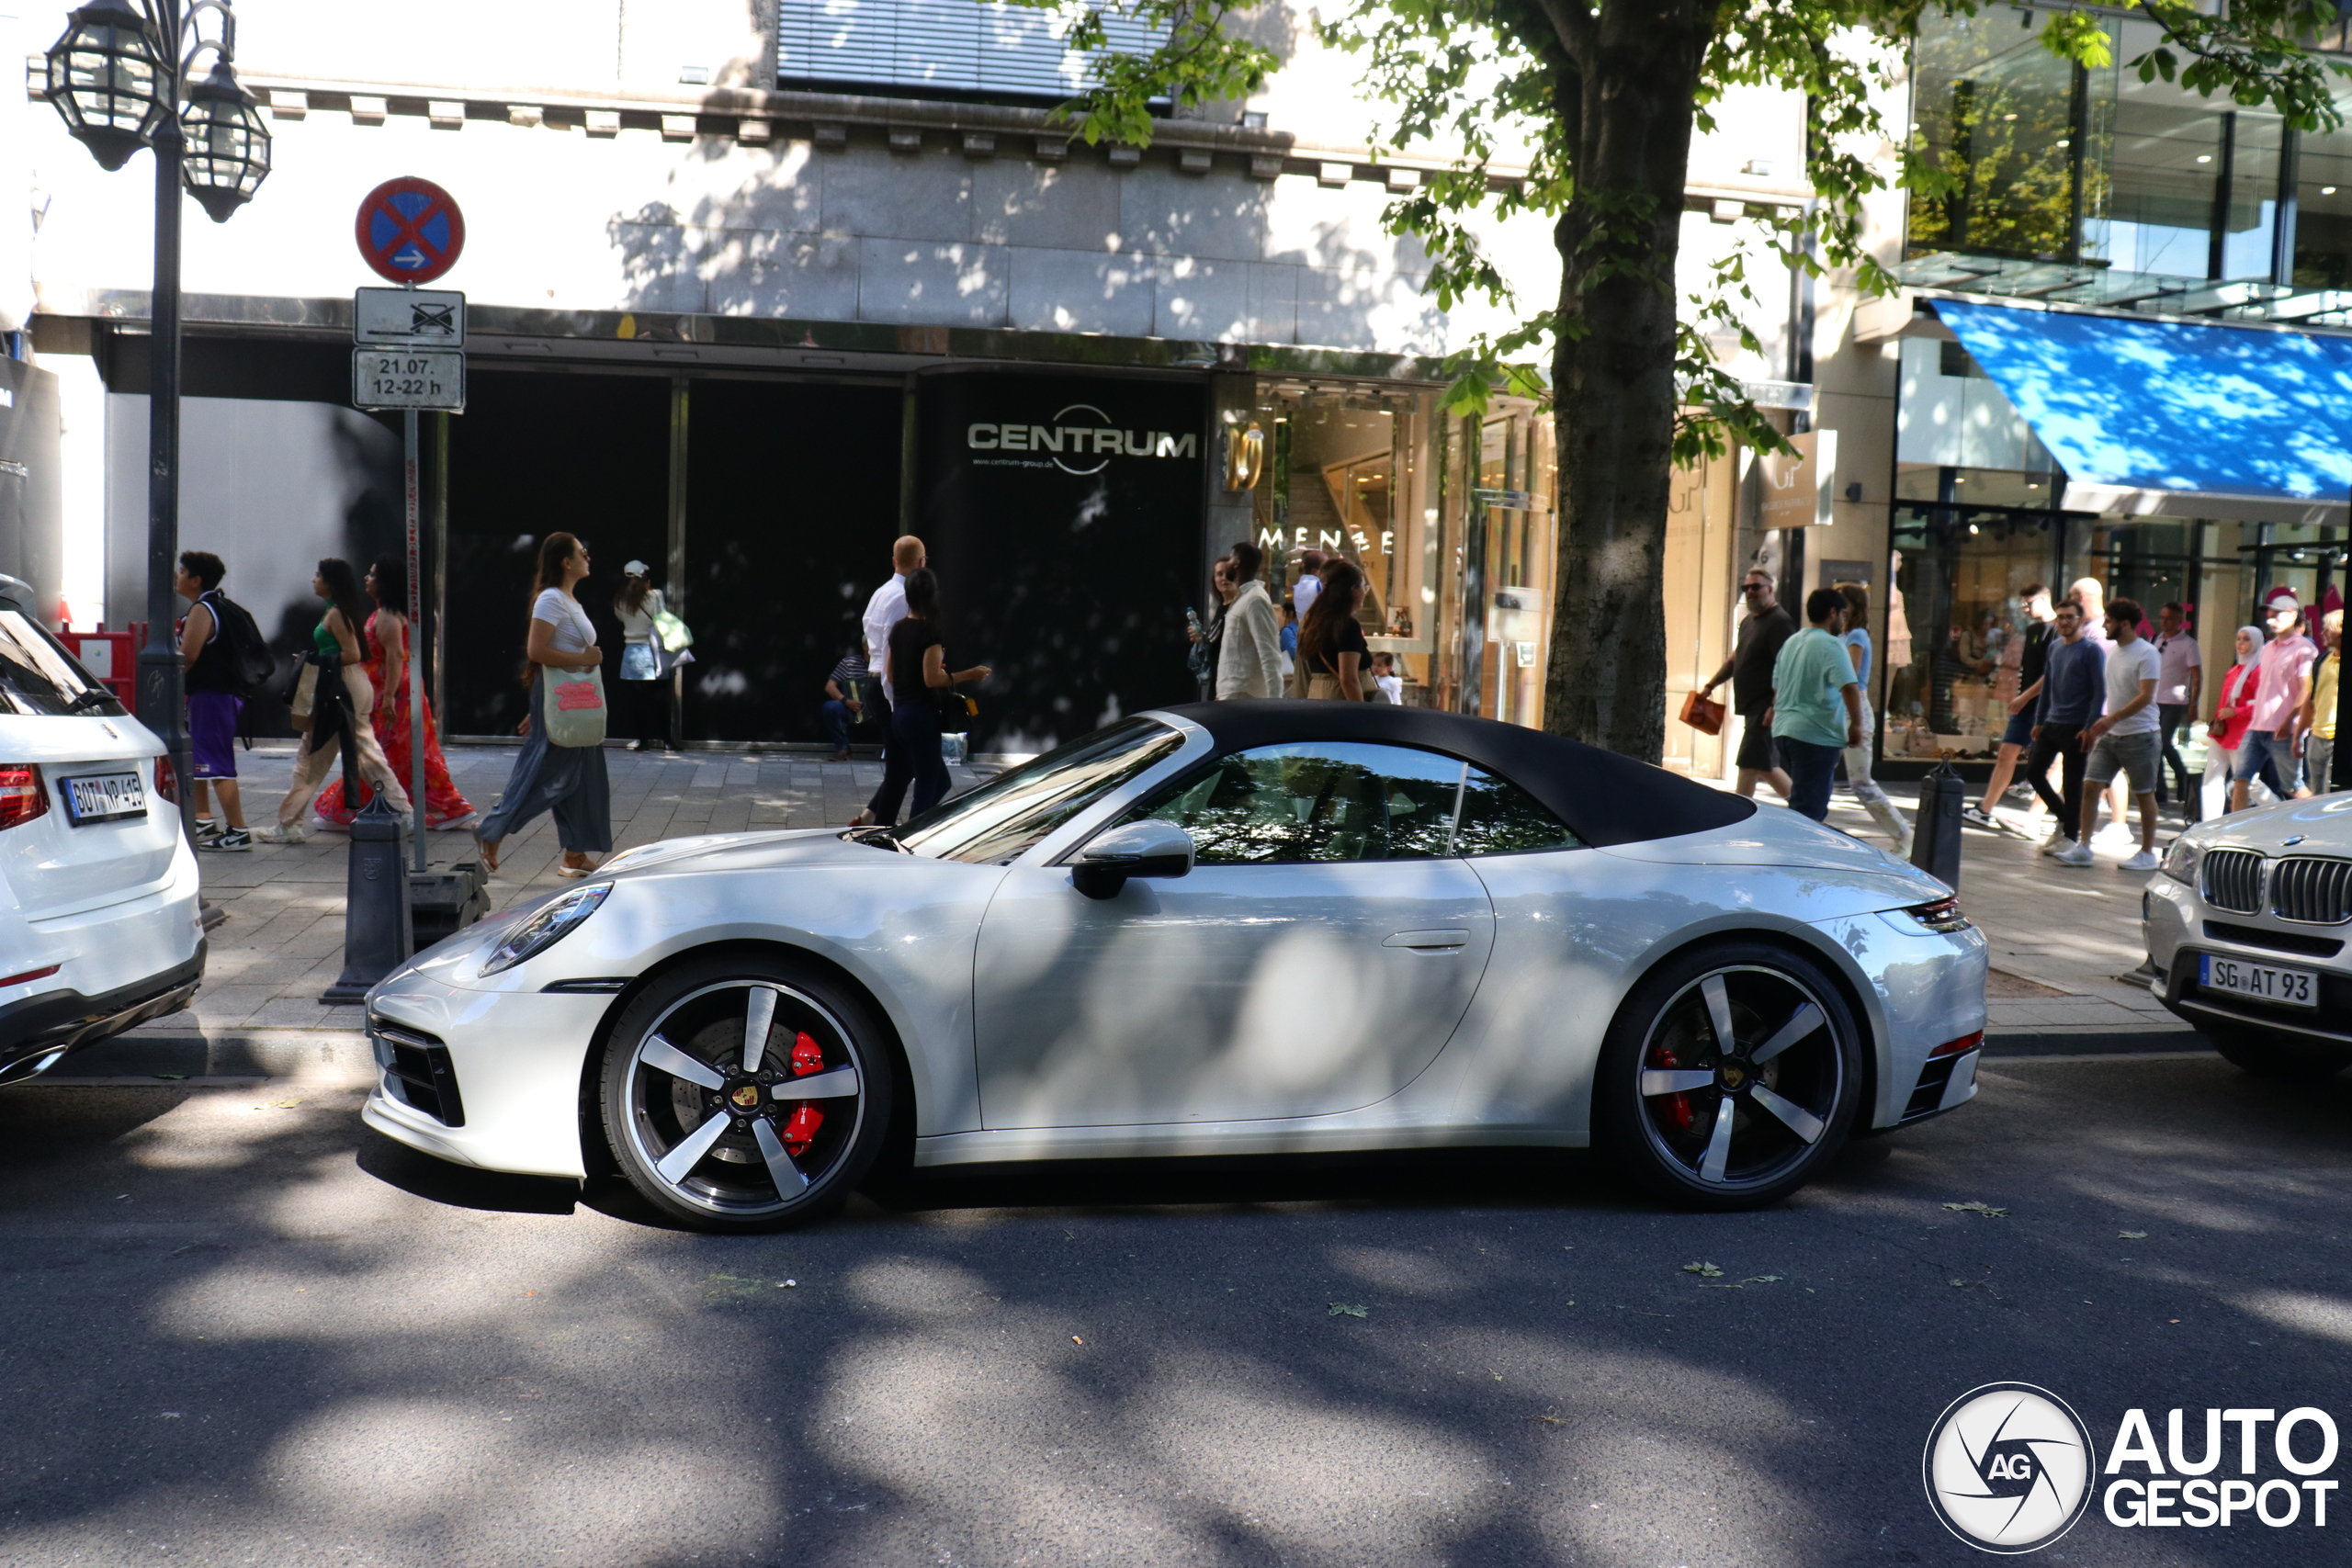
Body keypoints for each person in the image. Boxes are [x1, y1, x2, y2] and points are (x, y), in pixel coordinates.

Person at [473, 533, 610, 877]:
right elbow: (537, 652)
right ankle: (492, 831)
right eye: (582, 552)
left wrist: (540, 705)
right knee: (550, 777)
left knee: (585, 778)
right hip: (568, 701)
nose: (587, 557)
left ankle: (575, 855)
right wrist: (584, 657)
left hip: (573, 702)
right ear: (566, 561)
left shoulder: (568, 600)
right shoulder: (551, 600)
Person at [255, 558, 413, 844]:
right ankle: (404, 810)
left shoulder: (337, 614)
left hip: (341, 688)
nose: (313, 580)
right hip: (347, 685)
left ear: (329, 582)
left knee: (313, 756)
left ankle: (288, 825)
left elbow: (353, 653)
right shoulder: (338, 610)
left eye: (318, 576)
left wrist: (313, 660)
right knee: (363, 754)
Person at [315, 556, 477, 832]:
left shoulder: (388, 617)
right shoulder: (383, 613)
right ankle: (412, 806)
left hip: (394, 694)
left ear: (385, 582)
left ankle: (431, 807)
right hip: (388, 692)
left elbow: (395, 657)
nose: (367, 579)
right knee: (392, 751)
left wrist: (388, 697)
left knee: (386, 750)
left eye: (373, 575)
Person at [858, 569, 989, 825]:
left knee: (939, 781)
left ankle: (903, 827)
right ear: (933, 597)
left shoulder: (898, 629)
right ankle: (911, 836)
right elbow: (932, 680)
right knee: (927, 786)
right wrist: (970, 674)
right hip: (921, 715)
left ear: (907, 595)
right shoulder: (930, 632)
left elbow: (891, 674)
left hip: (900, 716)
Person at [2057, 597, 2162, 870]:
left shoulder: (2147, 653)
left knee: (2144, 793)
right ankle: (2084, 847)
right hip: (2110, 734)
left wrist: (2111, 719)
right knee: (2091, 785)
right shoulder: (2113, 652)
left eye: (2109, 621)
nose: (2104, 625)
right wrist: (2098, 724)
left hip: (2141, 735)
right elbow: (2108, 694)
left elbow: (2146, 697)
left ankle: (2148, 853)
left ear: (2125, 624)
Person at [173, 549, 250, 852]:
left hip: (212, 695)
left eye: (182, 571)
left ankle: (238, 831)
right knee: (203, 760)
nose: (177, 577)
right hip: (217, 694)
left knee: (217, 763)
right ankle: (202, 818)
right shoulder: (219, 605)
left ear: (195, 579)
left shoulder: (202, 610)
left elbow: (188, 655)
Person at [1964, 583, 2055, 831]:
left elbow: (2051, 673)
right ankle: (1985, 809)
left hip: (2046, 707)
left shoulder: (2057, 631)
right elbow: (2031, 670)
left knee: (2048, 764)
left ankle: (2035, 818)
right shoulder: (2034, 629)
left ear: (2045, 599)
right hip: (2027, 705)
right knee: (2007, 753)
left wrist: (2024, 696)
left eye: (2029, 603)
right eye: (2023, 604)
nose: (2025, 609)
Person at [1769, 588, 1864, 824]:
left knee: (1802, 802)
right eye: (1843, 614)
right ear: (1832, 613)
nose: (1844, 620)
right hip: (1816, 735)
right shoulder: (1831, 645)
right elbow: (1850, 687)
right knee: (1809, 813)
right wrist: (1857, 725)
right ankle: (1795, 857)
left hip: (1785, 731)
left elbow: (1777, 687)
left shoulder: (1792, 642)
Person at [1702, 569, 1796, 800]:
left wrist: (1775, 706)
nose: (1750, 592)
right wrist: (1710, 685)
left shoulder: (1780, 622)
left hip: (1765, 708)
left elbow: (1786, 669)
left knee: (1752, 762)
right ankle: (1805, 809)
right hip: (1751, 707)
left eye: (1756, 587)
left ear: (1771, 589)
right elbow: (1735, 659)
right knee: (1761, 764)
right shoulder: (1749, 622)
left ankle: (1740, 814)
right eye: (1746, 588)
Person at [1832, 581, 1909, 852]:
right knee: (1842, 778)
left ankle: (1903, 834)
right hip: (1841, 708)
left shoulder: (1857, 636)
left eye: (1843, 602)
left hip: (1854, 709)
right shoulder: (1845, 635)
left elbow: (1848, 673)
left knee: (1861, 782)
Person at [2021, 599, 2101, 855]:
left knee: (2072, 783)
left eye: (2070, 617)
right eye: (2061, 617)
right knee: (2034, 772)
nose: (2064, 622)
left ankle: (2070, 835)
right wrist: (2039, 720)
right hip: (2052, 723)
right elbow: (2048, 686)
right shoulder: (2055, 647)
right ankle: (2065, 818)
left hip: (2077, 725)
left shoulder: (2091, 650)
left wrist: (2090, 726)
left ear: (2081, 620)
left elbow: (2099, 692)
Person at [2231, 589, 2317, 812]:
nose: (2271, 619)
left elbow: (2307, 689)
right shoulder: (2267, 648)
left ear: (2292, 616)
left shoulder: (2304, 648)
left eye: (2277, 614)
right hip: (2258, 725)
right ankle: (2234, 832)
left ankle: (2320, 821)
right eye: (2270, 614)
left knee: (2293, 786)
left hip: (2284, 729)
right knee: (2240, 780)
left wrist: (2290, 721)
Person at [2201, 626, 2267, 818]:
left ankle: (2279, 810)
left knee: (2248, 782)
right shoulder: (2235, 670)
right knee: (2212, 779)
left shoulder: (2258, 671)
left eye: (2247, 639)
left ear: (2256, 643)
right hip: (2224, 733)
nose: (2241, 643)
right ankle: (2210, 824)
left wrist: (2235, 712)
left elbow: (2260, 704)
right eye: (2239, 638)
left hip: (2243, 735)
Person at [862, 535, 925, 718]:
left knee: (893, 745)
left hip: (875, 678)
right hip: (889, 684)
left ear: (893, 561)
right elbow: (890, 646)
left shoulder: (880, 592)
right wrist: (892, 700)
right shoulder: (902, 596)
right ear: (921, 562)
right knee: (898, 744)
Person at [614, 560, 672, 753]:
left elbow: (621, 619)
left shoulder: (620, 600)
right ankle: (667, 741)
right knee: (661, 699)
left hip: (632, 653)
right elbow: (663, 617)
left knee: (638, 701)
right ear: (645, 576)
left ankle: (643, 741)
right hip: (654, 651)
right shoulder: (655, 596)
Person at [2152, 601, 2202, 818]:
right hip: (2153, 701)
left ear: (2180, 621)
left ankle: (2183, 778)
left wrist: (2194, 703)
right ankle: (2159, 790)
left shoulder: (2188, 644)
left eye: (2169, 618)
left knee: (2163, 742)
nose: (2164, 622)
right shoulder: (2156, 639)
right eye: (2162, 618)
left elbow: (2197, 675)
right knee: (2154, 745)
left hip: (2174, 702)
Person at [1215, 540, 1283, 700]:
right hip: (1231, 694)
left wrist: (1275, 703)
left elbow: (1269, 653)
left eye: (1230, 559)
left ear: (1237, 563)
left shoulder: (1255, 600)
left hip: (1243, 695)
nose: (1226, 563)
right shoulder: (1242, 599)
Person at [1298, 558, 1370, 700]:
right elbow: (1348, 679)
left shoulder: (1314, 621)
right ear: (1353, 590)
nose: (1365, 592)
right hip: (1340, 699)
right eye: (1363, 587)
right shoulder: (1348, 625)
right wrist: (1361, 714)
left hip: (1317, 696)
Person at [2297, 608, 2340, 795]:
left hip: (2338, 739)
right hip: (2317, 736)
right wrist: (2298, 735)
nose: (2322, 633)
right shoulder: (2321, 661)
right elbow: (2310, 701)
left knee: (2331, 793)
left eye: (2328, 629)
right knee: (2316, 792)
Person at [1189, 556, 1233, 702]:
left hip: (1230, 687)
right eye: (1219, 574)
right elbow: (1216, 643)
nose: (1224, 578)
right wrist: (1202, 638)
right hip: (1216, 683)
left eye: (1229, 573)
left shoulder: (1238, 607)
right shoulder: (1221, 608)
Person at [821, 648, 867, 761]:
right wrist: (846, 701)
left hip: (879, 708)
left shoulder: (887, 661)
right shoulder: (849, 663)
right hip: (852, 708)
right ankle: (843, 748)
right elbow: (830, 686)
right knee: (830, 707)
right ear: (864, 645)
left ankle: (890, 751)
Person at [1293, 548, 1327, 623]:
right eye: (1325, 569)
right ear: (1315, 571)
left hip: (1302, 629)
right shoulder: (1319, 586)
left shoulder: (1297, 587)